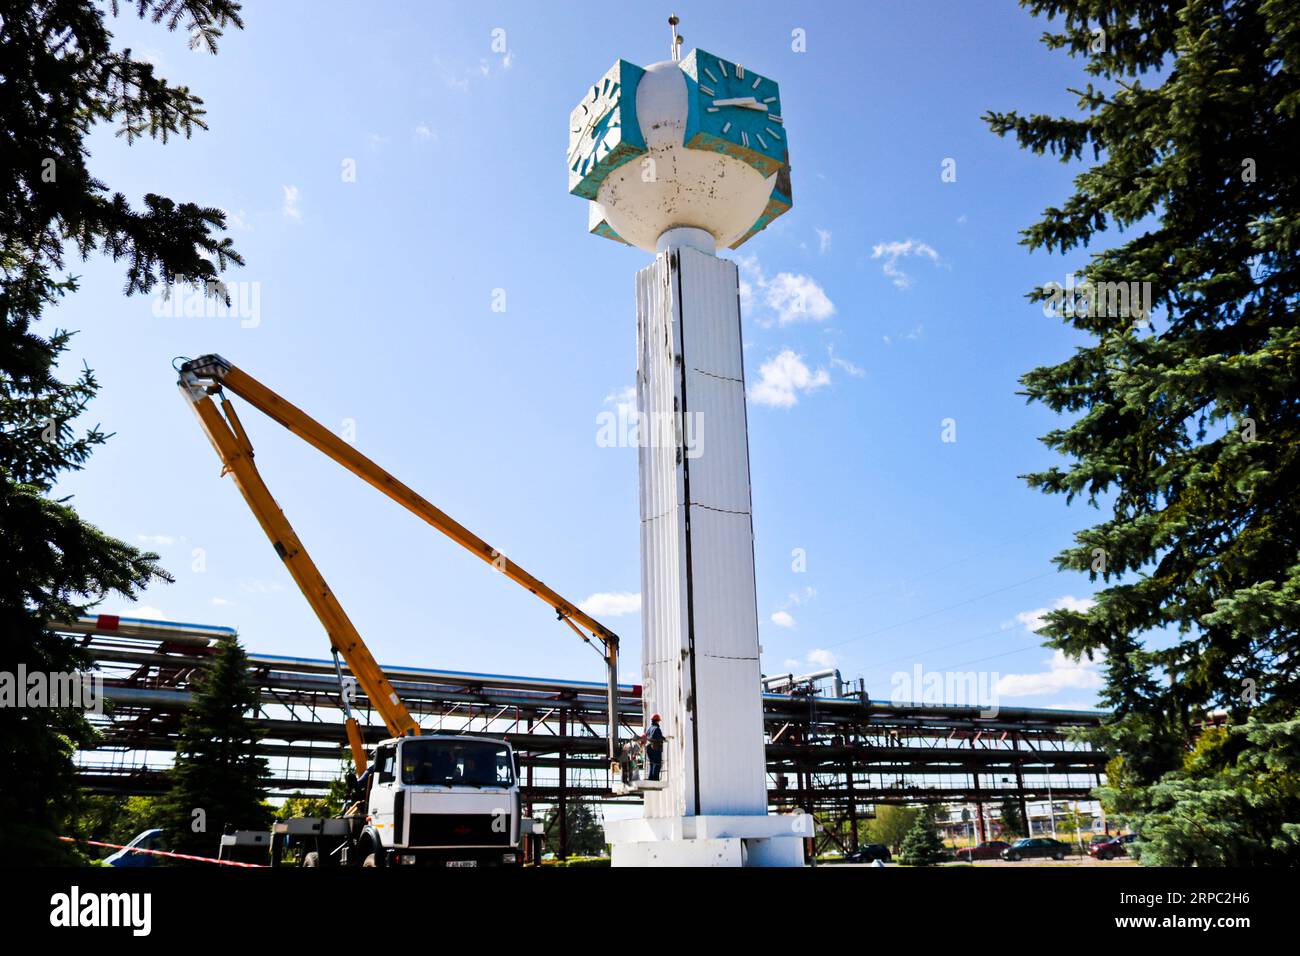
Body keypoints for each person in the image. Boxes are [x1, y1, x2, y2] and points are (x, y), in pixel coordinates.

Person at [644, 713, 665, 781]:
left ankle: (651, 778)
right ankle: (655, 779)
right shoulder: (657, 729)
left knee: (652, 764)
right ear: (657, 721)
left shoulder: (649, 729)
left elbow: (647, 736)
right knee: (657, 764)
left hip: (649, 748)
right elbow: (659, 739)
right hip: (655, 748)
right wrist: (663, 739)